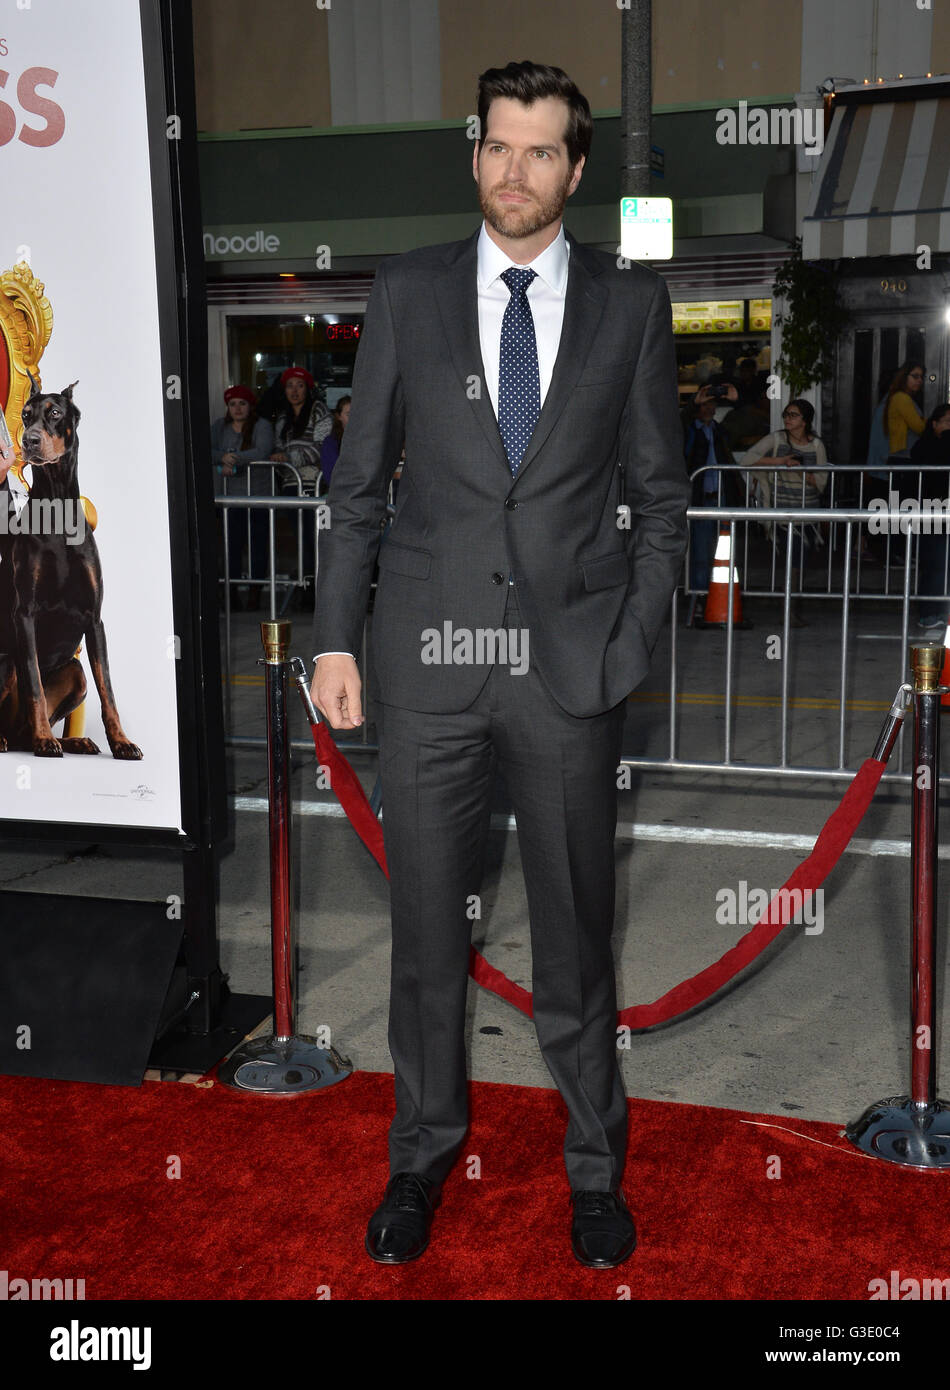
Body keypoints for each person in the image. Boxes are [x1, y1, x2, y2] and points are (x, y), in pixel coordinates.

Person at [309, 60, 689, 1270]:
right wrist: (332, 634)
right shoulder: (408, 291)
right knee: (426, 942)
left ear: (575, 171)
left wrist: (624, 645)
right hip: (422, 670)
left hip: (567, 676)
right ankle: (419, 1158)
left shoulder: (628, 306)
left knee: (577, 939)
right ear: (472, 154)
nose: (512, 173)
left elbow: (661, 497)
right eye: (496, 147)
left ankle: (592, 1168)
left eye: (539, 153)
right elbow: (356, 488)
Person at [741, 399, 828, 626]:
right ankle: (788, 610)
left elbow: (821, 482)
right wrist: (780, 462)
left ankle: (791, 608)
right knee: (793, 560)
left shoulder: (816, 445)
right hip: (782, 512)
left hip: (807, 513)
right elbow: (747, 460)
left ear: (805, 420)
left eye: (794, 415)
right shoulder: (777, 439)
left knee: (799, 562)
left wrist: (800, 470)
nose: (788, 419)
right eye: (786, 414)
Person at [211, 386, 275, 607]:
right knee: (232, 546)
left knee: (258, 546)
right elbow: (206, 449)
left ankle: (255, 594)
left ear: (251, 405)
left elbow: (262, 451)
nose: (237, 408)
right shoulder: (220, 426)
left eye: (242, 403)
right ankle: (232, 594)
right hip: (231, 498)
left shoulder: (262, 425)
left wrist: (233, 459)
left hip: (259, 496)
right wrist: (223, 457)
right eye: (233, 404)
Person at [681, 382, 739, 626]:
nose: (708, 408)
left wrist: (733, 396)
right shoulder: (689, 429)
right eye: (704, 404)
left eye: (712, 403)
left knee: (725, 551)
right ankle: (699, 600)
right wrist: (695, 400)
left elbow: (745, 417)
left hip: (720, 496)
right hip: (701, 497)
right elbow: (679, 421)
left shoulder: (719, 431)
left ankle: (721, 597)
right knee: (701, 552)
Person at [910, 403, 950, 629]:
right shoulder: (924, 446)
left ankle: (941, 611)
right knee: (934, 562)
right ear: (934, 424)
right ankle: (928, 612)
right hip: (930, 511)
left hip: (946, 511)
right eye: (947, 421)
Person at [270, 367, 332, 494]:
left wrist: (289, 458)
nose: (294, 391)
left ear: (307, 389)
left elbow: (322, 446)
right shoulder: (282, 418)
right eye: (289, 386)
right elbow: (279, 448)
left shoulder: (318, 409)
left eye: (300, 385)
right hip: (289, 482)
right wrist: (279, 459)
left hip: (315, 481)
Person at [884, 361, 925, 458]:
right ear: (904, 377)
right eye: (915, 376)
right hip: (903, 454)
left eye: (921, 377)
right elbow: (919, 427)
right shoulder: (902, 398)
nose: (920, 380)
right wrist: (934, 424)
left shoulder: (900, 396)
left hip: (903, 453)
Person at [319, 395, 351, 491]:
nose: (354, 418)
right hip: (340, 495)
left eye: (357, 414)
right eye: (349, 414)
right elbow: (331, 475)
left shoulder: (366, 440)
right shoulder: (331, 442)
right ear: (338, 416)